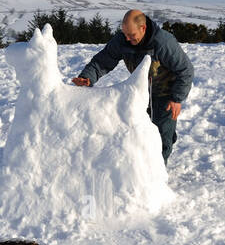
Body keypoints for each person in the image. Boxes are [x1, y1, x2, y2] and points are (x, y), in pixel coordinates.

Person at [71, 9, 194, 165]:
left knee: (161, 136)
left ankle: (155, 177)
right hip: (141, 93)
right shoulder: (122, 39)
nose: (128, 39)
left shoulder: (163, 42)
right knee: (140, 132)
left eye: (132, 35)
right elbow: (103, 61)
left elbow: (186, 70)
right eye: (125, 34)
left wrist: (177, 98)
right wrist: (87, 77)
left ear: (143, 28)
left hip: (166, 94)